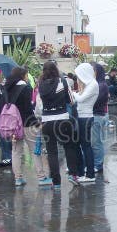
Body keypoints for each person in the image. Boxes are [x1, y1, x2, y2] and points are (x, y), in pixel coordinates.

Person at [2, 67, 50, 188]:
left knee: (16, 152)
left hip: (13, 124)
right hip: (27, 123)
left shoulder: (7, 87)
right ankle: (41, 177)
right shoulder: (26, 88)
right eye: (26, 75)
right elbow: (28, 108)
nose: (27, 77)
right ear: (23, 75)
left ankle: (18, 178)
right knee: (34, 150)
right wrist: (36, 122)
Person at [38, 60, 81, 190]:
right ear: (55, 69)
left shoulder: (40, 84)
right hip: (62, 119)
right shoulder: (62, 81)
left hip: (47, 120)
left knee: (52, 152)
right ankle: (72, 174)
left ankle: (56, 182)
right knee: (69, 147)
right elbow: (71, 101)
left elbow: (38, 105)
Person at [74, 62, 100, 184]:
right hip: (82, 117)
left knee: (86, 146)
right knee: (83, 145)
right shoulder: (89, 84)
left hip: (86, 117)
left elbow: (80, 99)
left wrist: (73, 93)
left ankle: (90, 174)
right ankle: (84, 172)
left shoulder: (93, 84)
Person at [91, 62, 110, 176]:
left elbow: (96, 101)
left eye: (93, 70)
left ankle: (98, 164)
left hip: (98, 115)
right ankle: (96, 163)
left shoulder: (101, 85)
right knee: (95, 141)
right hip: (96, 115)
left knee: (96, 142)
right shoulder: (96, 84)